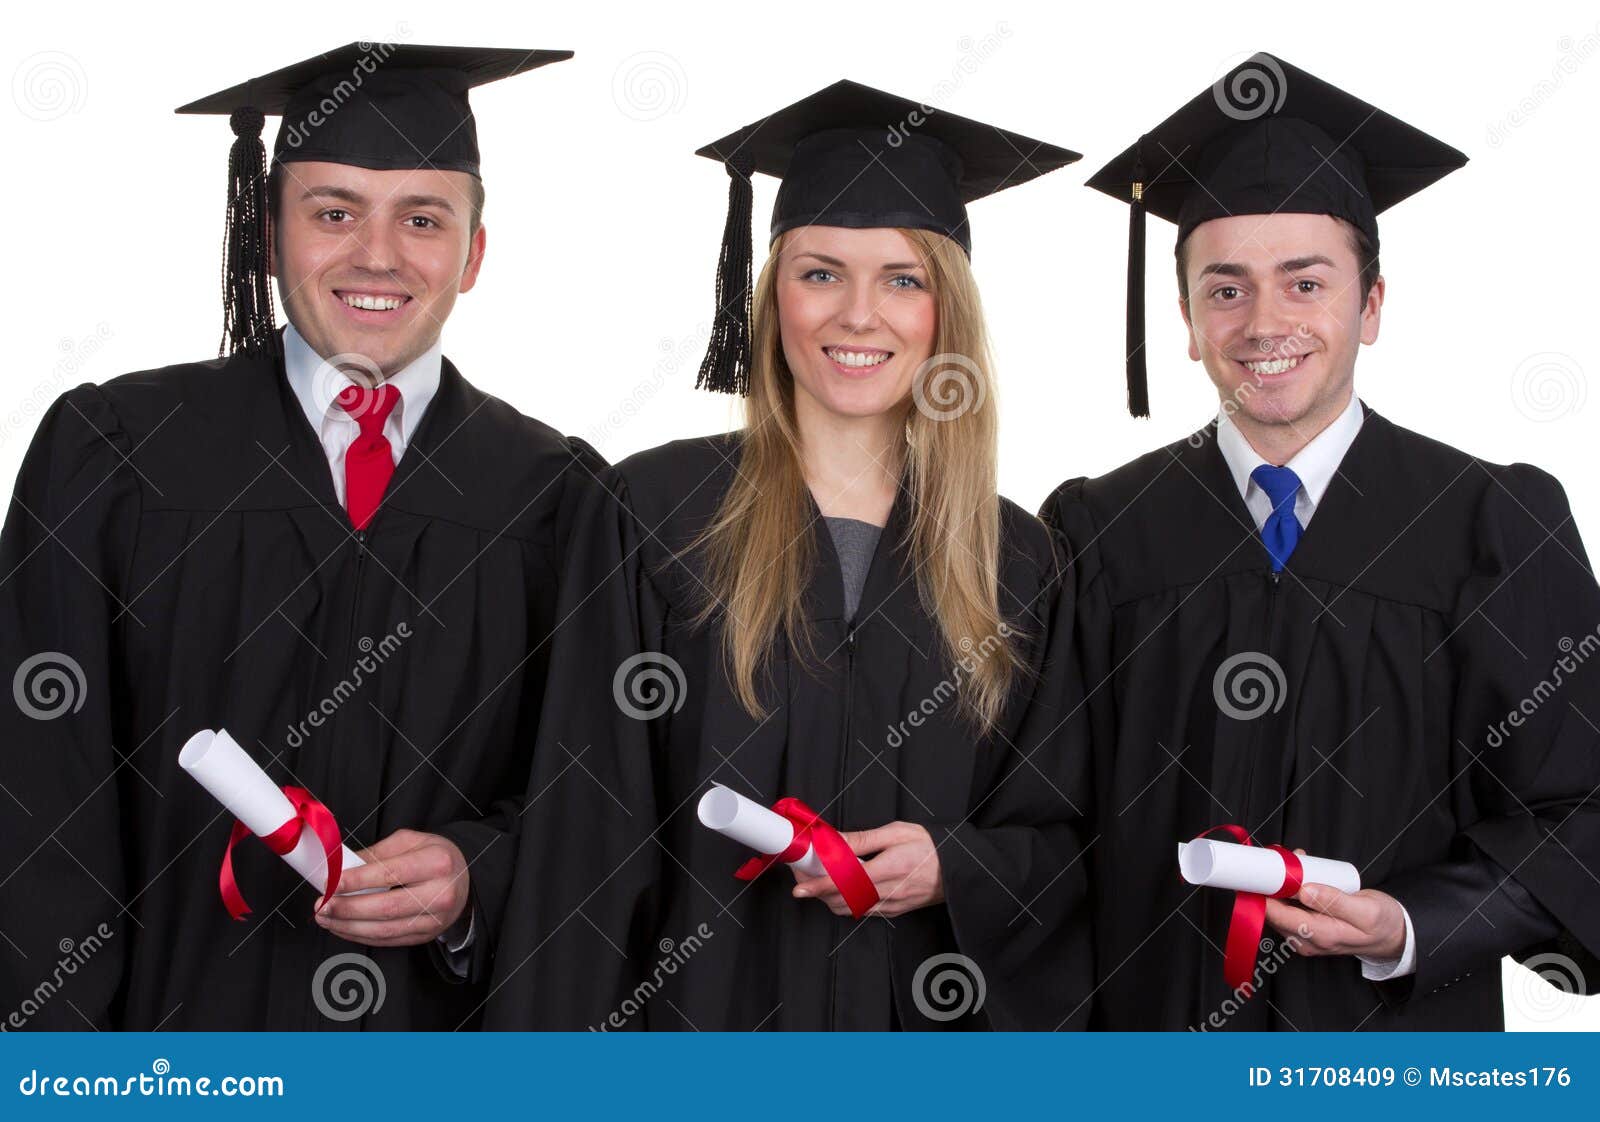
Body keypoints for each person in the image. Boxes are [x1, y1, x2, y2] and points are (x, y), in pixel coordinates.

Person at [0, 42, 602, 1029]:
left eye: (422, 218)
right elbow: (31, 796)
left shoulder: (551, 495)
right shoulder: (119, 456)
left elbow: (596, 798)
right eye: (333, 212)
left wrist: (476, 872)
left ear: (474, 254)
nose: (377, 254)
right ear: (270, 235)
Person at [481, 80, 1092, 1029]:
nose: (858, 314)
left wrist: (954, 869)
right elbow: (582, 841)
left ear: (947, 312)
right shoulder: (656, 513)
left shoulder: (1020, 561)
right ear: (770, 300)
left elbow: (1061, 842)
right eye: (819, 273)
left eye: (903, 278)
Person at [1042, 52, 1600, 1029]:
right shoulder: (1097, 533)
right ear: (1184, 318)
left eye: (1304, 284)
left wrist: (1411, 922)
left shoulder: (1487, 524)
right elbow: (1036, 829)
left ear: (1369, 305)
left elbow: (1580, 815)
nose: (1264, 323)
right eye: (1226, 290)